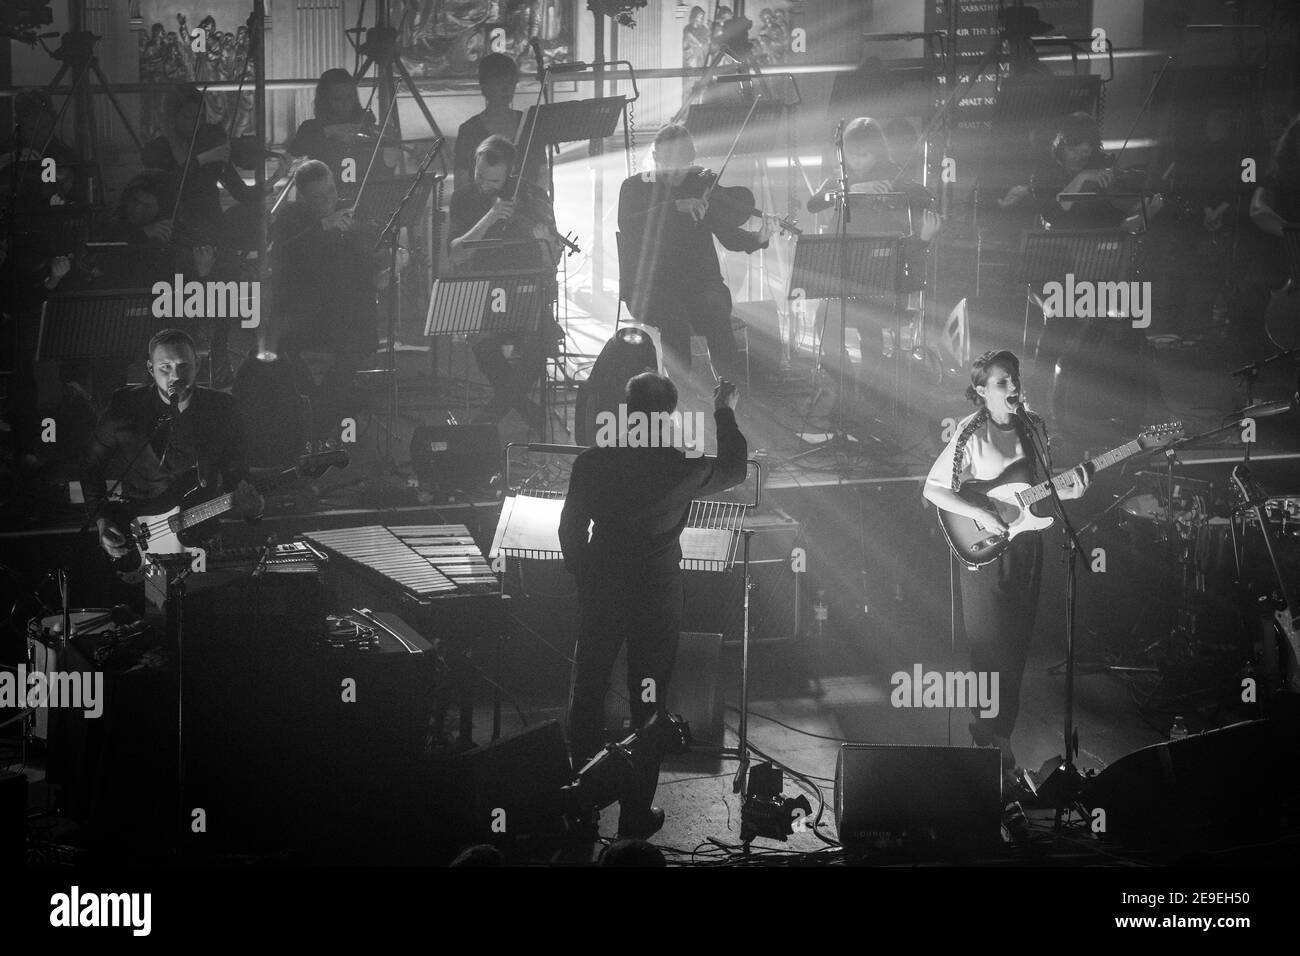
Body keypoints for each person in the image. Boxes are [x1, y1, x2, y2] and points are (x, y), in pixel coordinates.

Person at [560, 373, 747, 839]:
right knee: (648, 700)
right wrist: (724, 407)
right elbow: (737, 468)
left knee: (587, 693)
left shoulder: (593, 462)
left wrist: (587, 577)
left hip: (603, 587)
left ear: (627, 408)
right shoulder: (683, 467)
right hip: (656, 593)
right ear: (669, 413)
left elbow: (570, 530)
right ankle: (635, 814)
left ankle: (580, 807)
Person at [921, 350, 1089, 776]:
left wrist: (1067, 493)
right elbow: (934, 489)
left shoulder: (1034, 426)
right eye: (1002, 383)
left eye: (1013, 379)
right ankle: (984, 739)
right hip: (984, 551)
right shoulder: (970, 431)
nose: (1013, 387)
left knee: (1016, 648)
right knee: (988, 651)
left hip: (1027, 546)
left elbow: (1040, 489)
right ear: (981, 391)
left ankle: (1003, 742)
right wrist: (981, 513)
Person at [617, 124, 776, 395]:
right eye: (670, 164)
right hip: (651, 287)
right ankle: (678, 398)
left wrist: (757, 239)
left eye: (685, 164)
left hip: (699, 283)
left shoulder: (702, 184)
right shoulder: (635, 187)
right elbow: (629, 225)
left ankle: (730, 395)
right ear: (656, 158)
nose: (679, 171)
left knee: (716, 311)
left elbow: (727, 234)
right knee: (674, 321)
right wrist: (673, 207)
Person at [81, 329, 262, 566]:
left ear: (197, 364)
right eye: (165, 367)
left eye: (183, 366)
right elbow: (91, 465)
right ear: (150, 369)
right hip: (138, 540)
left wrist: (253, 510)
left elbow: (236, 477)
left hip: (201, 540)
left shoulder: (222, 410)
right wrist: (102, 519)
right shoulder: (125, 406)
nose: (175, 376)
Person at [269, 159, 387, 444]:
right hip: (306, 310)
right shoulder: (291, 216)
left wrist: (386, 267)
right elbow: (279, 255)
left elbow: (372, 255)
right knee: (278, 342)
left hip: (347, 311)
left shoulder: (354, 210)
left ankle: (322, 420)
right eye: (319, 197)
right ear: (304, 197)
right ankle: (332, 407)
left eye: (331, 191)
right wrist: (323, 226)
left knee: (354, 342)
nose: (329, 200)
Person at [448, 135, 561, 430]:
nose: (485, 185)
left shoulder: (533, 196)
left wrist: (545, 242)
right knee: (483, 344)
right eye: (480, 176)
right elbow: (457, 254)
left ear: (510, 173)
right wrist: (488, 218)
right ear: (475, 165)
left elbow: (553, 261)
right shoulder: (463, 198)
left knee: (541, 343)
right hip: (485, 292)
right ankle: (523, 407)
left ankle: (490, 417)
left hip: (528, 290)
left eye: (494, 181)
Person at [140, 84, 262, 243]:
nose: (197, 123)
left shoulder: (210, 142)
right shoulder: (159, 149)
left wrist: (273, 180)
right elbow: (173, 185)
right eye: (188, 118)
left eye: (201, 117)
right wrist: (202, 158)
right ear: (173, 118)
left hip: (211, 227)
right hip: (174, 229)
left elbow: (240, 192)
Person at [286, 69, 395, 199]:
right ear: (325, 101)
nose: (346, 104)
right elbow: (296, 149)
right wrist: (331, 131)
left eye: (350, 97)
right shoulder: (311, 128)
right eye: (338, 99)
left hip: (365, 197)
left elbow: (385, 167)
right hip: (324, 200)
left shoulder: (365, 124)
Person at [454, 54, 525, 189]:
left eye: (510, 82)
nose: (506, 88)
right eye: (499, 82)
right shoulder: (469, 130)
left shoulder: (528, 122)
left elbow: (541, 172)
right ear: (484, 87)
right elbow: (461, 183)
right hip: (481, 207)